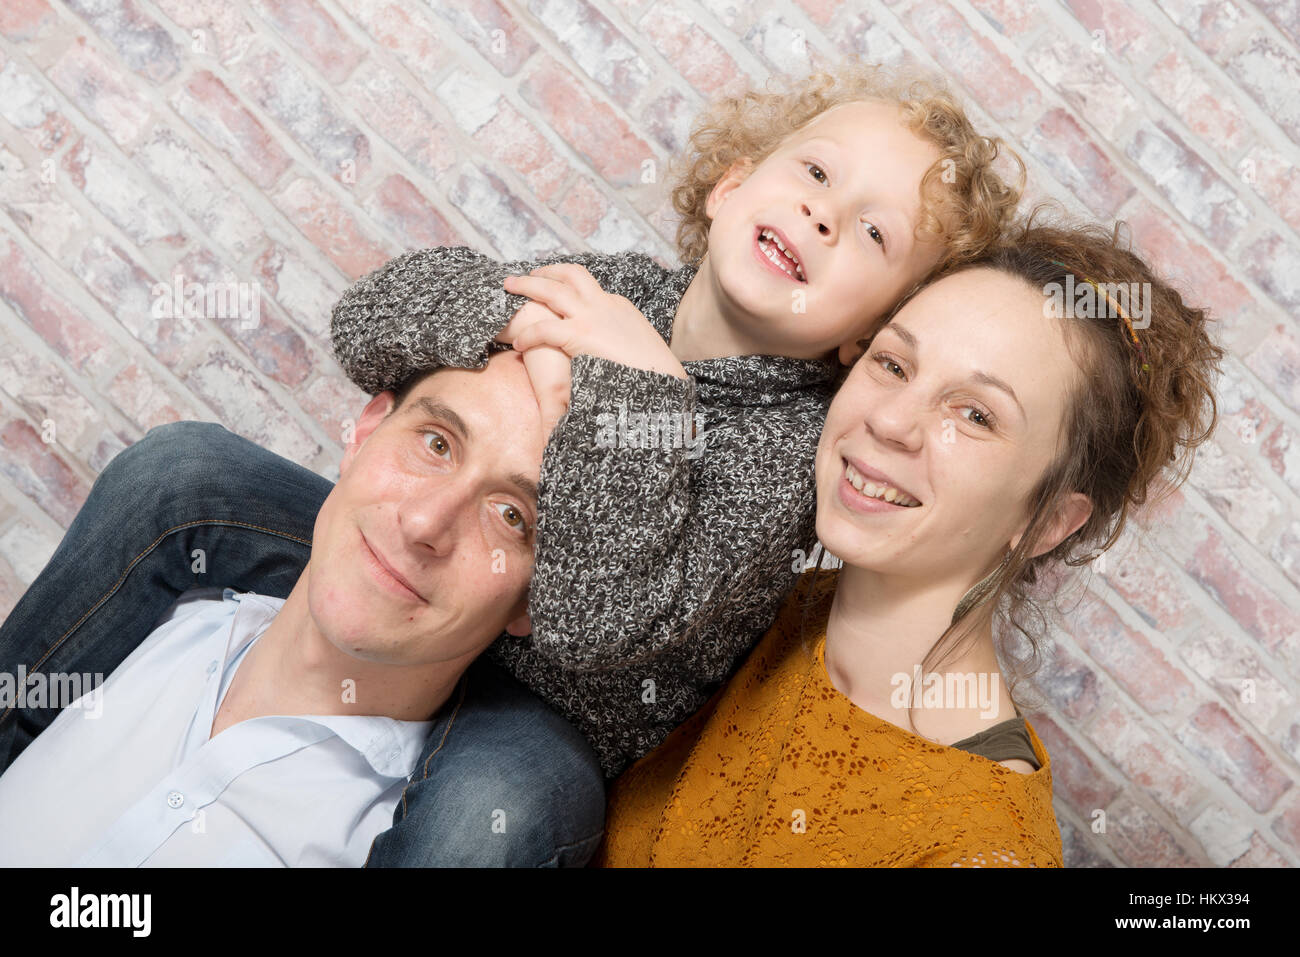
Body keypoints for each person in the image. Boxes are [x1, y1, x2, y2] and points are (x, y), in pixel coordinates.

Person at [0, 61, 1022, 866]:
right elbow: (371, 326)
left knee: (503, 808)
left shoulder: (782, 457)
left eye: (871, 232)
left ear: (863, 336)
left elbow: (588, 621)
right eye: (812, 172)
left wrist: (637, 389)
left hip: (542, 702)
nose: (821, 215)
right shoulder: (613, 287)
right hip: (438, 571)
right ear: (727, 187)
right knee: (185, 473)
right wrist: (515, 312)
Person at [595, 219, 1223, 866]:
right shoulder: (755, 580)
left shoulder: (977, 844)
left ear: (1050, 519)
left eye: (975, 414)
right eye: (893, 364)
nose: (890, 420)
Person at [0, 351, 608, 866]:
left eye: (511, 516)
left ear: (538, 599)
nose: (426, 522)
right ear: (365, 433)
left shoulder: (433, 832)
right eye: (436, 443)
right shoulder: (149, 597)